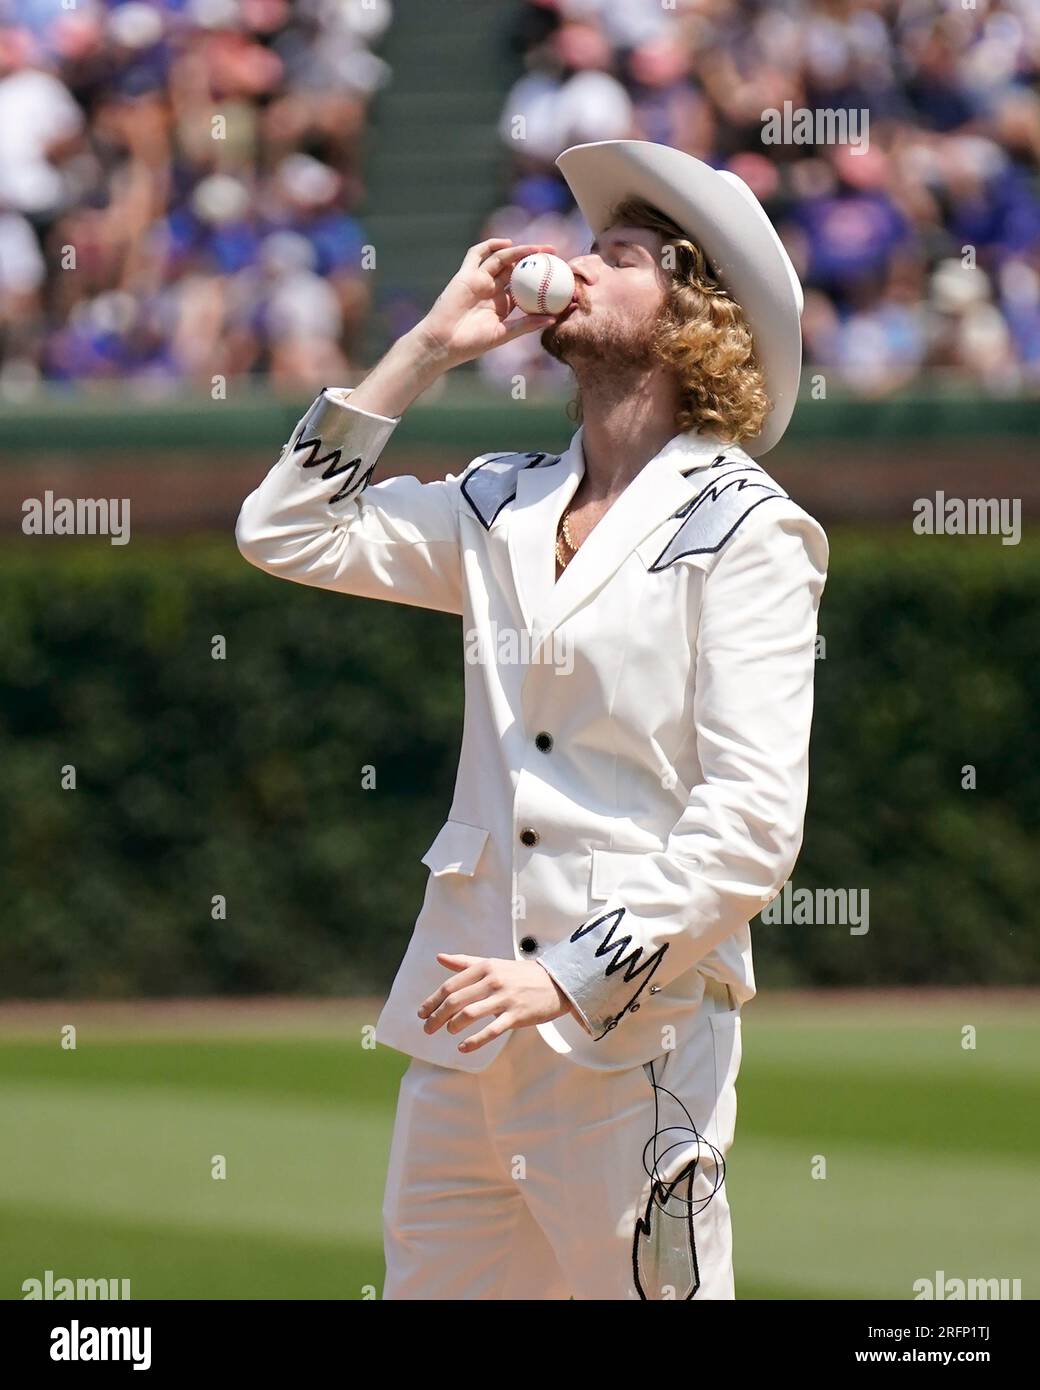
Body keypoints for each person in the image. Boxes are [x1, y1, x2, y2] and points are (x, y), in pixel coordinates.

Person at [235, 139, 829, 1300]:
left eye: (621, 256)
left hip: (629, 1042)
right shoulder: (499, 497)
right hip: (461, 1033)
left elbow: (753, 823)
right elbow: (284, 529)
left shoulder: (749, 527)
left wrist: (566, 975)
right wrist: (421, 353)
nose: (576, 265)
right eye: (587, 247)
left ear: (694, 313)